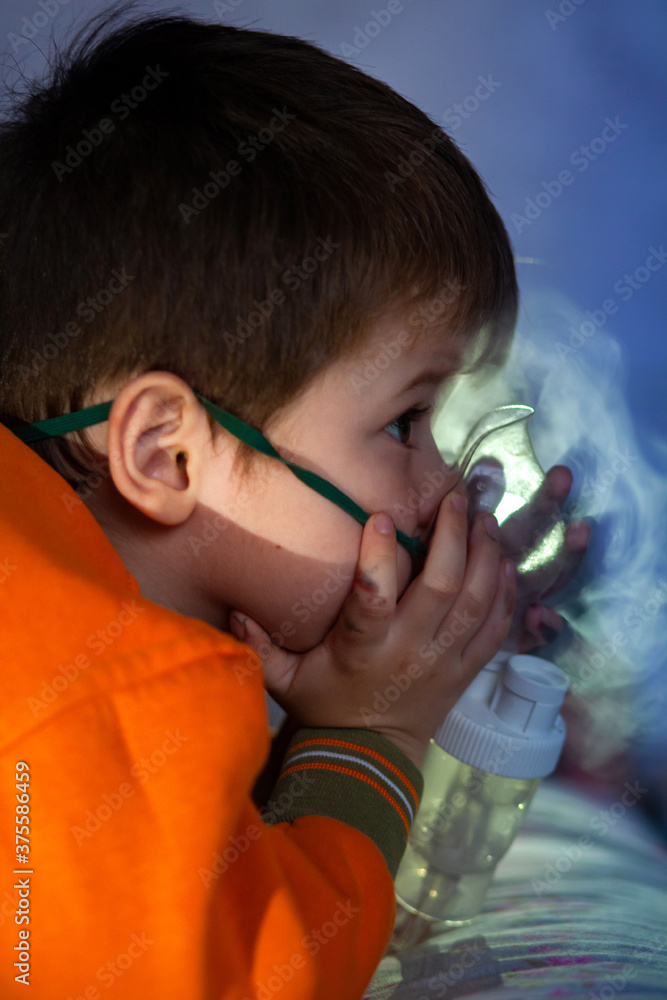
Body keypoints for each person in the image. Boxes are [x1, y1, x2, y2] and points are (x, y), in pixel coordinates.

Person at [0, 9, 589, 998]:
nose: (441, 489)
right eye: (405, 423)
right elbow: (249, 977)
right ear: (166, 451)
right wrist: (372, 735)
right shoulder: (80, 710)